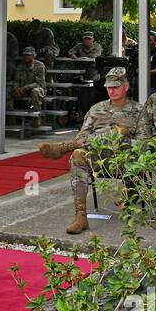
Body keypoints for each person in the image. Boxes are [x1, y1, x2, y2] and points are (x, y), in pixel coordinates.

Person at [38, 67, 142, 235]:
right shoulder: (96, 109)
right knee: (78, 154)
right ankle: (81, 216)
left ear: (126, 86)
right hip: (99, 160)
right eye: (109, 86)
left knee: (118, 132)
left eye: (116, 86)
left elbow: (143, 143)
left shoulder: (139, 111)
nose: (111, 90)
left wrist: (121, 140)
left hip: (125, 161)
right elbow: (82, 137)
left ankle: (62, 148)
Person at [9, 45, 46, 110]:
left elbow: (39, 83)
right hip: (22, 90)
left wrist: (25, 88)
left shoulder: (40, 65)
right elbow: (16, 80)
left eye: (28, 55)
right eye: (24, 55)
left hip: (37, 89)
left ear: (33, 55)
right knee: (8, 91)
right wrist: (16, 87)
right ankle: (11, 117)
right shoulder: (20, 66)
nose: (26, 57)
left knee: (35, 92)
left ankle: (37, 115)